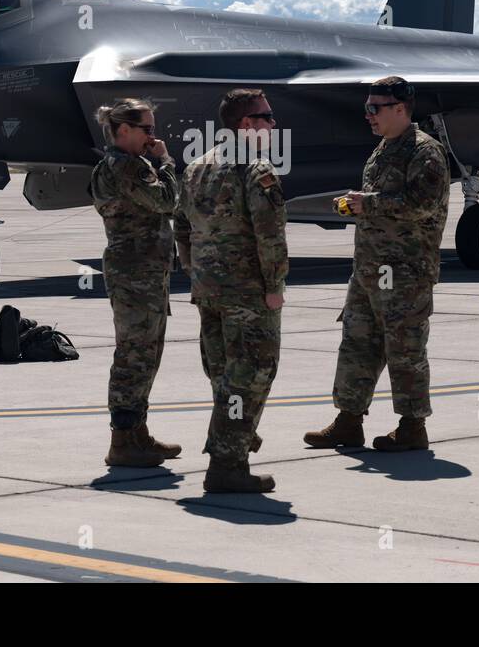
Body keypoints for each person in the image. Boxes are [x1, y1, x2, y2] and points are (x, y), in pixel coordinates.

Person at [304, 76, 450, 451]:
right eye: (367, 108)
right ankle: (348, 421)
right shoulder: (384, 149)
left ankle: (412, 427)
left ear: (400, 109)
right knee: (356, 344)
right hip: (370, 270)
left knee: (405, 348)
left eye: (375, 108)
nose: (368, 115)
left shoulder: (425, 151)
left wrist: (368, 203)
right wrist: (357, 204)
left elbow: (423, 205)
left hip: (404, 273)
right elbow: (384, 202)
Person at [175, 89, 287, 493]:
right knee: (252, 374)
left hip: (209, 293)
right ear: (246, 125)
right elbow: (270, 236)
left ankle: (233, 443)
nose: (273, 125)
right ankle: (227, 464)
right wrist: (274, 286)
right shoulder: (257, 171)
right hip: (248, 295)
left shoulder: (197, 168)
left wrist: (196, 272)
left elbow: (181, 229)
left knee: (224, 375)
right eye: (267, 117)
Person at [91, 98, 182, 467]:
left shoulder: (123, 165)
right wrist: (166, 162)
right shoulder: (127, 166)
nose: (153, 136)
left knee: (146, 354)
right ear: (123, 130)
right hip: (136, 274)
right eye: (146, 129)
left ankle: (137, 434)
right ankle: (124, 440)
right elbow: (168, 200)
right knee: (134, 356)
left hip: (142, 272)